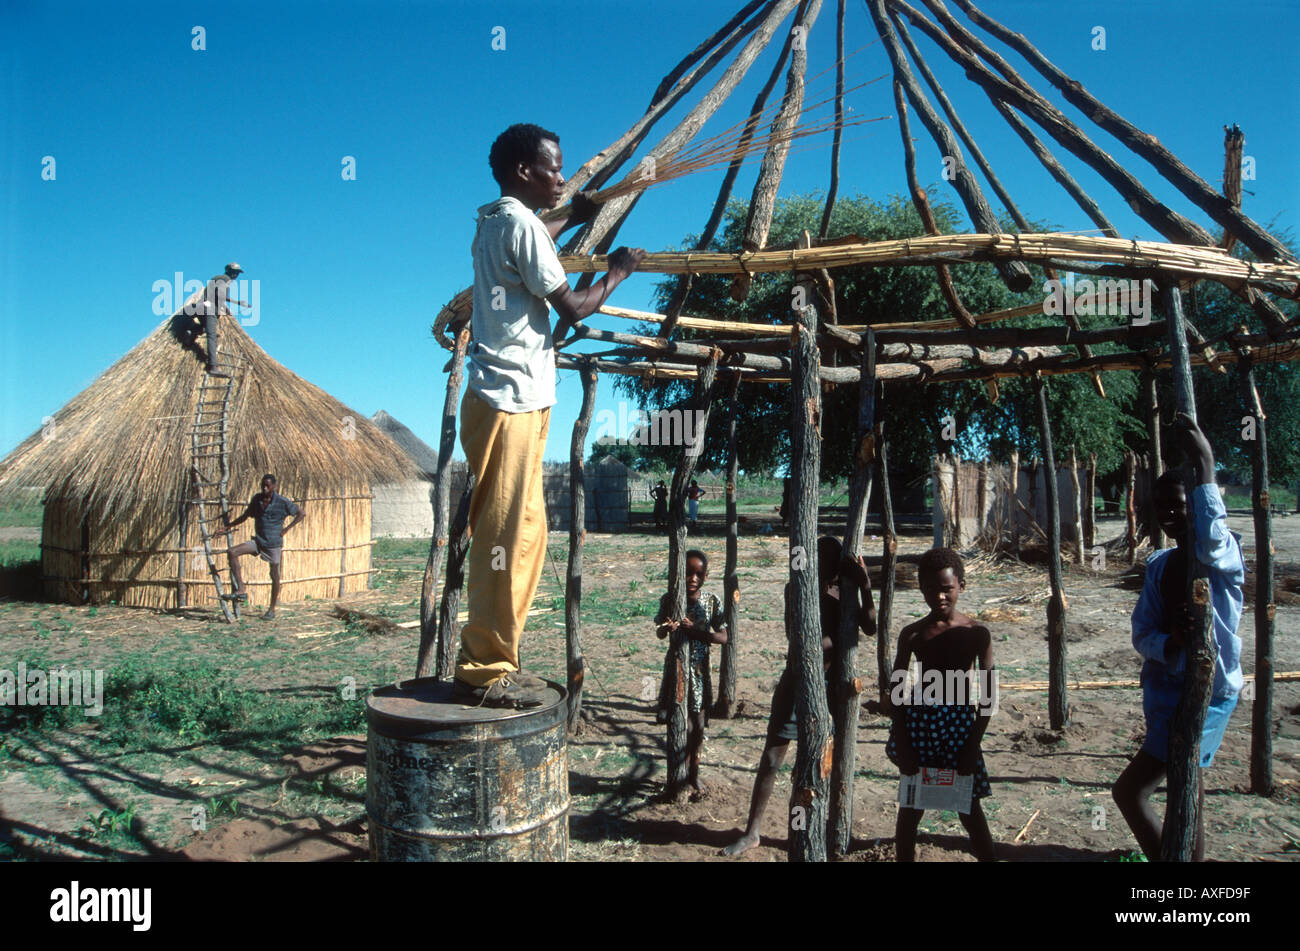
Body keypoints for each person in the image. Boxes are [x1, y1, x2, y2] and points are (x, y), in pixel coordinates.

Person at [453, 123, 646, 709]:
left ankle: (495, 655)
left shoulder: (496, 221)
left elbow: (538, 236)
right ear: (523, 172)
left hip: (503, 399)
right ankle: (484, 668)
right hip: (511, 401)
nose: (563, 177)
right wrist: (617, 271)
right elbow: (578, 308)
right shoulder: (518, 226)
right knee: (507, 539)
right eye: (554, 167)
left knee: (522, 534)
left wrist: (580, 212)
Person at [1111, 413, 1243, 861]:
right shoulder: (1160, 566)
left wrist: (1205, 464)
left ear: (1200, 505)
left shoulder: (1221, 557)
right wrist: (1171, 643)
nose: (1170, 514)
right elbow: (1142, 632)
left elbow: (1208, 537)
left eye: (1180, 504)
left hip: (1208, 693)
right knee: (1189, 787)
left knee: (1134, 791)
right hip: (1165, 691)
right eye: (1162, 506)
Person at [722, 536, 871, 856]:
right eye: (818, 560)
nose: (823, 568)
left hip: (833, 688)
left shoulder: (845, 595)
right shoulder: (797, 591)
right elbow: (800, 640)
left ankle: (810, 830)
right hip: (796, 683)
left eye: (831, 562)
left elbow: (870, 626)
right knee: (773, 758)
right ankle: (753, 832)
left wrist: (864, 587)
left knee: (820, 768)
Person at [886, 546, 996, 862]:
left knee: (968, 807)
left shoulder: (978, 634)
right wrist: (903, 743)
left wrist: (972, 745)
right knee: (910, 809)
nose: (939, 597)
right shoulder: (913, 635)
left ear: (961, 585)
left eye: (947, 589)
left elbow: (987, 699)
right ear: (920, 589)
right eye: (930, 589)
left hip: (961, 730)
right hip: (920, 727)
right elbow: (897, 694)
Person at [654, 549, 727, 797]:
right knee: (679, 721)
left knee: (697, 724)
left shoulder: (712, 602)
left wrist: (696, 631)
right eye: (688, 573)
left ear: (706, 574)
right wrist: (670, 627)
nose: (693, 578)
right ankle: (679, 774)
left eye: (699, 573)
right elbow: (659, 632)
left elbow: (723, 637)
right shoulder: (671, 599)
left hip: (700, 671)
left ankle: (694, 774)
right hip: (677, 670)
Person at [212, 473, 305, 620]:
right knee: (232, 552)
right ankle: (241, 589)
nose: (265, 487)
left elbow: (301, 513)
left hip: (273, 544)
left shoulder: (282, 502)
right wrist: (227, 527)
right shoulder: (257, 500)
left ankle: (272, 609)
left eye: (268, 485)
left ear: (274, 486)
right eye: (263, 485)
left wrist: (287, 529)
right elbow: (245, 516)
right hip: (258, 542)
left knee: (274, 575)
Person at [188, 262, 249, 377]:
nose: (236, 275)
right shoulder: (225, 279)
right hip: (210, 310)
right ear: (230, 271)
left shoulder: (216, 278)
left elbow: (214, 296)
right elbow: (219, 296)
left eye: (237, 273)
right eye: (235, 272)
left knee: (205, 327)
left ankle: (192, 331)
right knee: (212, 336)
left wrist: (226, 309)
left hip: (201, 308)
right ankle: (213, 367)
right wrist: (238, 302)